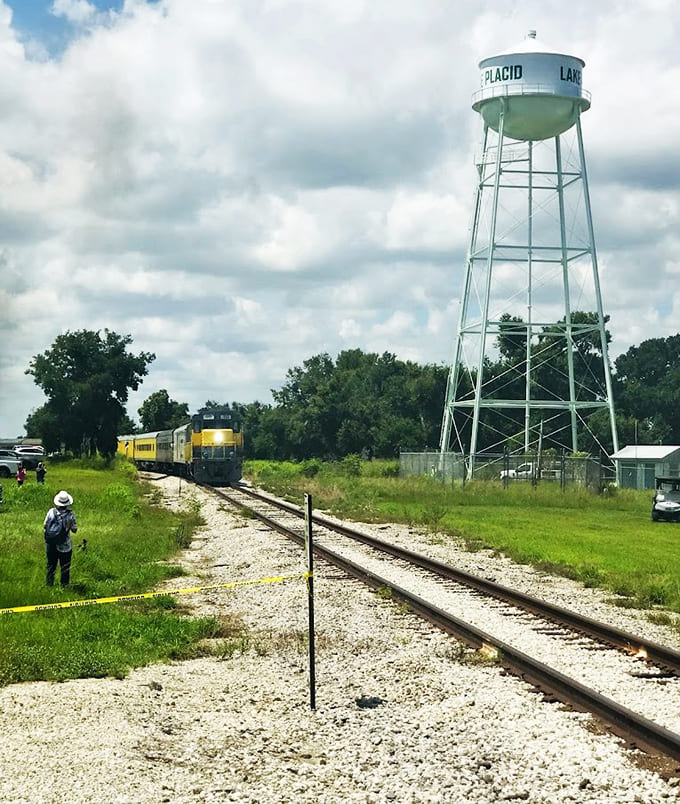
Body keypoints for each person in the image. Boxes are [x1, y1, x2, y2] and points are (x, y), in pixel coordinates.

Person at [44, 490, 78, 587]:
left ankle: (49, 585)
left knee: (50, 566)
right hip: (65, 545)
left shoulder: (51, 512)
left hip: (51, 544)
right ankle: (64, 586)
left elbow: (45, 525)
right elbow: (74, 530)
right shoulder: (71, 515)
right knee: (65, 568)